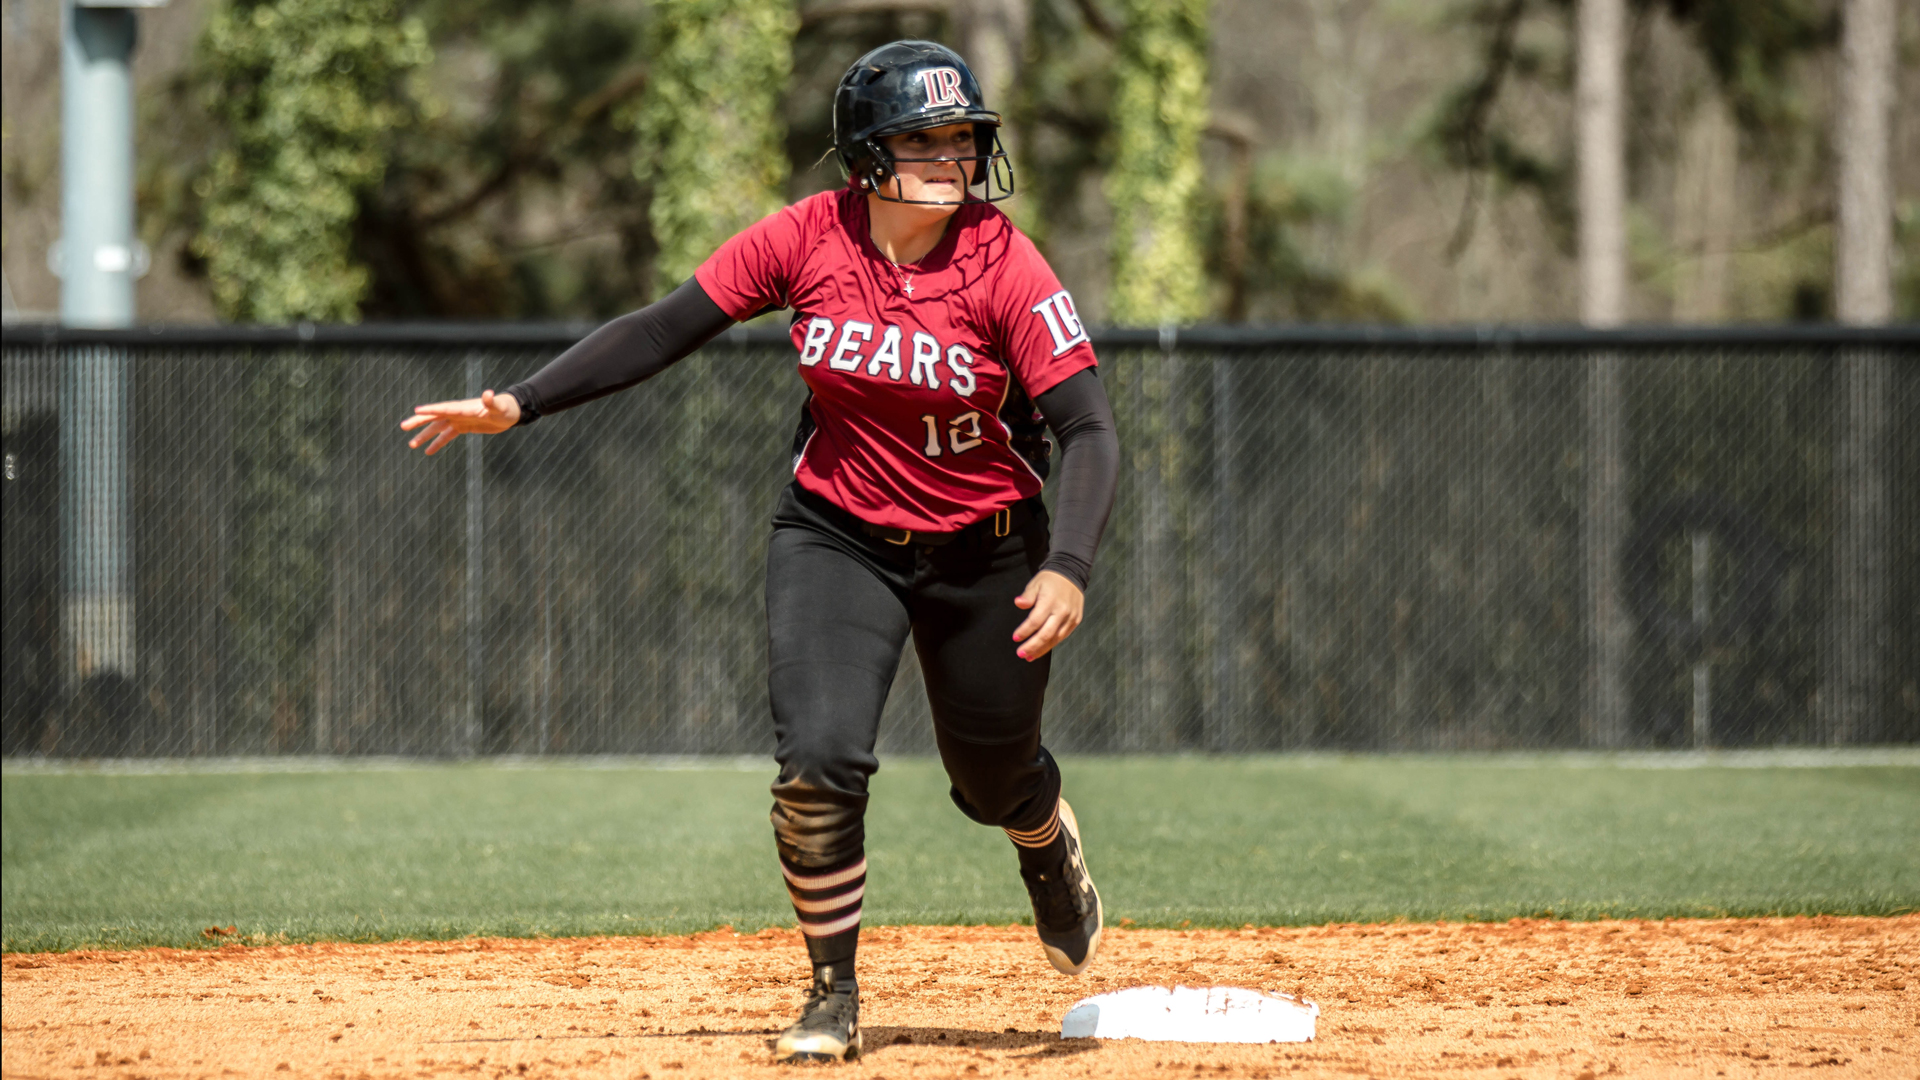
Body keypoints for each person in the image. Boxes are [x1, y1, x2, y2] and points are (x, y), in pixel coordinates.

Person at [400, 40, 1120, 1065]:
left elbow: (1090, 428)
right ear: (867, 156)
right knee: (819, 762)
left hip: (988, 552)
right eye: (925, 137)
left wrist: (1070, 565)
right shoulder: (808, 236)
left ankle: (1044, 844)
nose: (954, 157)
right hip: (836, 534)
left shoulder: (1003, 261)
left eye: (963, 136)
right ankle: (832, 989)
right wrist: (518, 402)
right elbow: (664, 328)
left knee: (992, 779)